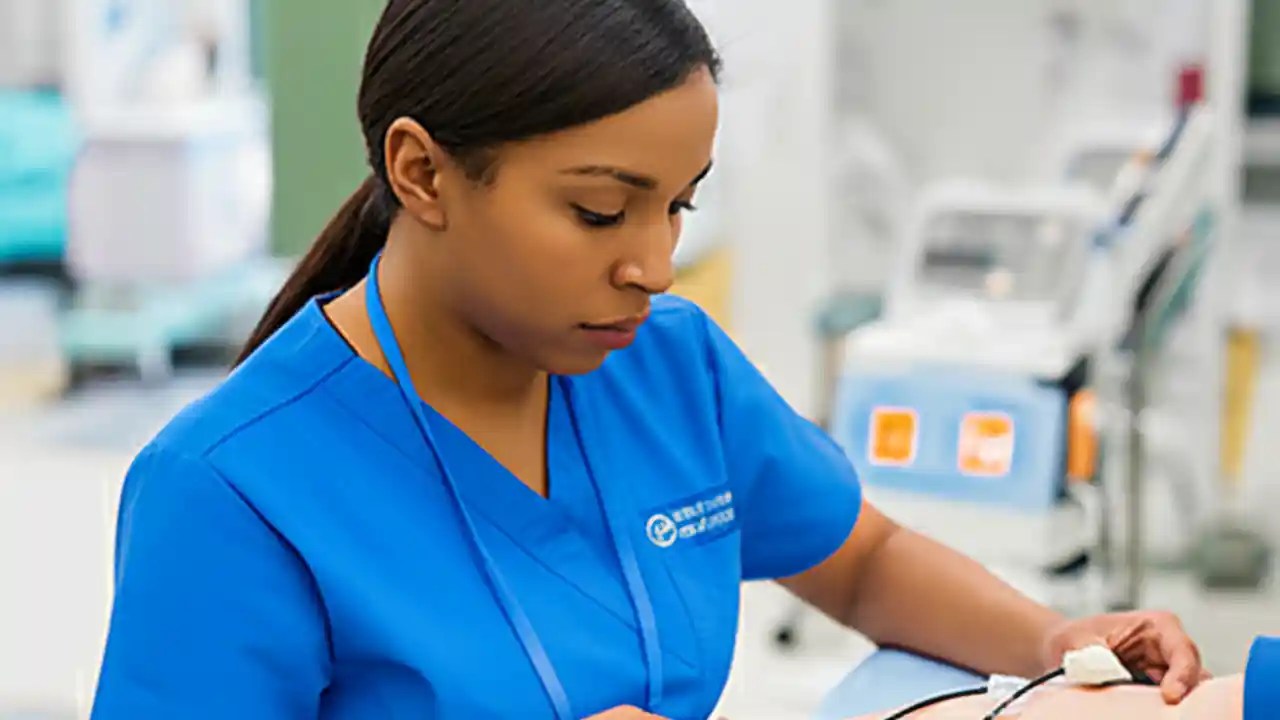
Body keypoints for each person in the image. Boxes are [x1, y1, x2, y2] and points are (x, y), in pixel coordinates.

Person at [90, 1, 1206, 718]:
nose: (653, 267)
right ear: (422, 174)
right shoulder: (231, 491)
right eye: (598, 211)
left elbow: (856, 560)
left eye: (675, 206)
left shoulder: (664, 367)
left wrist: (1053, 640)